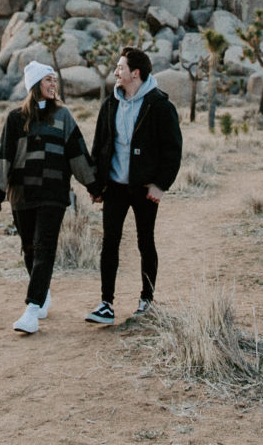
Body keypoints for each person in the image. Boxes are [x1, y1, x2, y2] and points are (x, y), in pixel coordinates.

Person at [0, 60, 95, 334]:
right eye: (47, 80)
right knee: (30, 249)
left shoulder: (63, 116)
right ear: (35, 85)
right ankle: (42, 294)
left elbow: (77, 154)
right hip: (22, 193)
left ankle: (32, 310)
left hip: (54, 193)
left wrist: (94, 185)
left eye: (54, 80)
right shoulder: (15, 118)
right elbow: (4, 157)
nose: (53, 85)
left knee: (44, 247)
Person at [84, 46, 182, 324]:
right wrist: (96, 186)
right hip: (114, 185)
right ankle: (106, 304)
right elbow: (99, 147)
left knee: (144, 241)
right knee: (110, 242)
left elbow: (173, 150)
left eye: (120, 68)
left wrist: (160, 184)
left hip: (144, 188)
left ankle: (146, 300)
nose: (115, 72)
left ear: (135, 73)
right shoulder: (110, 104)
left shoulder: (159, 106)